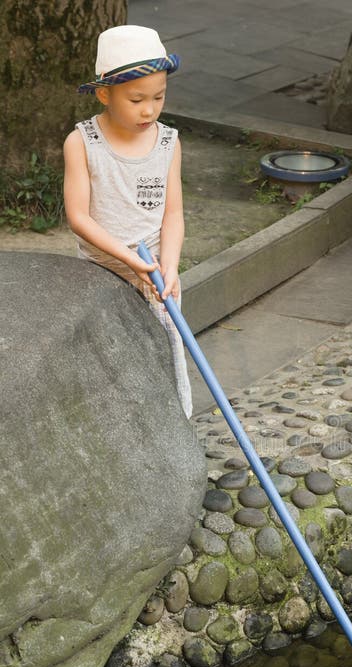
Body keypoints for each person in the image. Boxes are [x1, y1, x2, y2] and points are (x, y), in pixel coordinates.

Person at [64, 24, 193, 418]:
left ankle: (173, 427)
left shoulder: (168, 141)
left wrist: (168, 266)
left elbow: (172, 213)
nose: (149, 109)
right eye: (136, 99)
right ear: (104, 93)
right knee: (109, 357)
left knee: (165, 350)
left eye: (159, 96)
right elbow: (79, 217)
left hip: (156, 271)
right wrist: (127, 260)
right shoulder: (83, 142)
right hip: (102, 267)